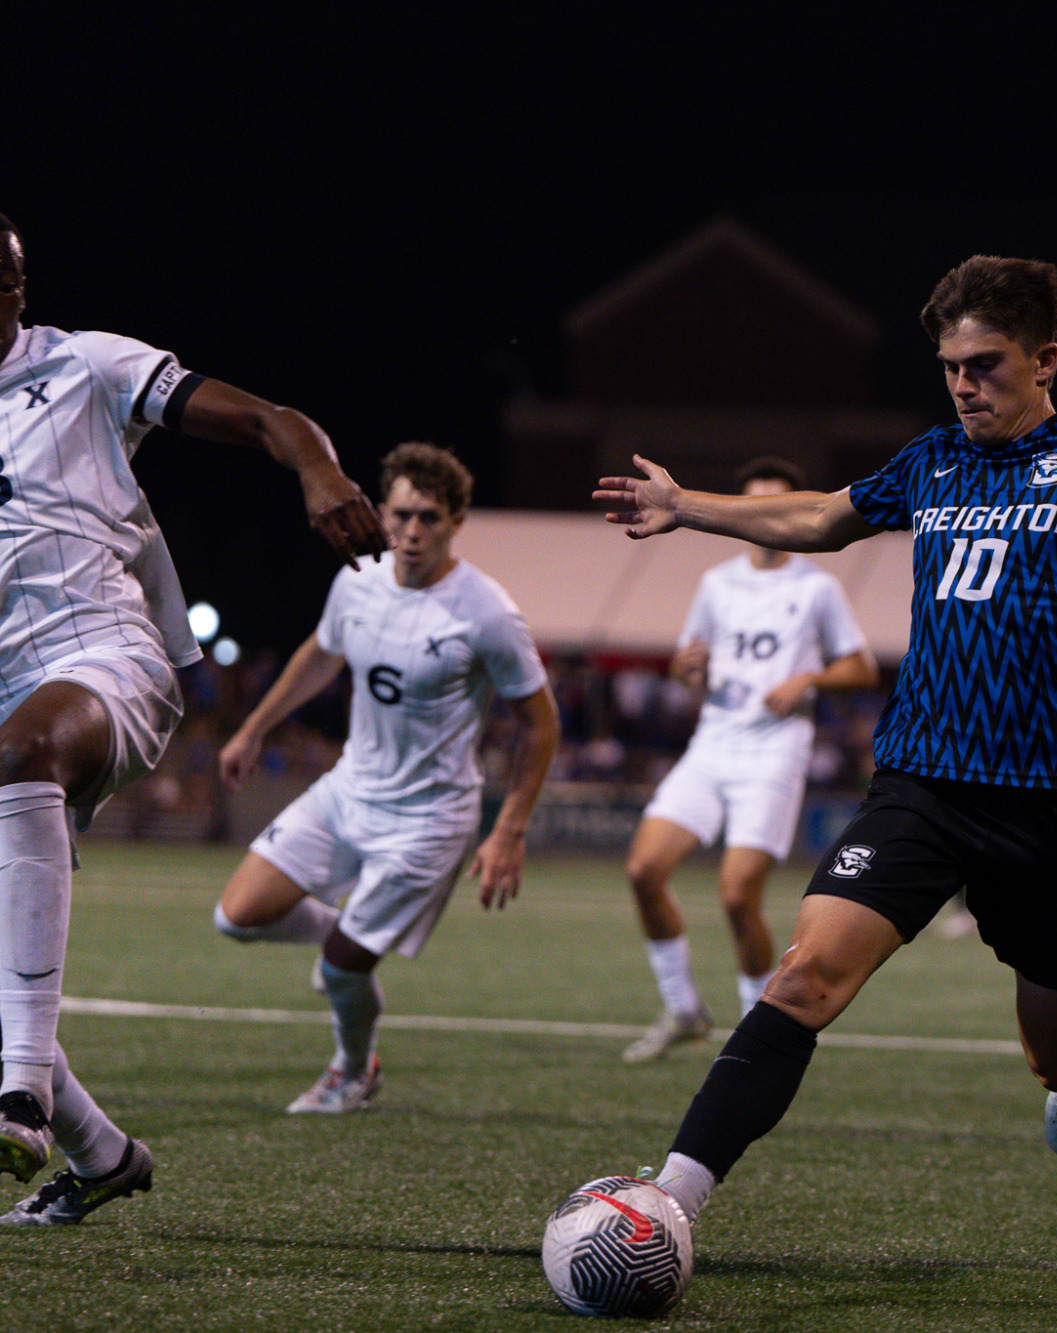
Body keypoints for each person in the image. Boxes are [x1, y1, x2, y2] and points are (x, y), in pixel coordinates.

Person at [594, 254, 1057, 1232]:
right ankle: (669, 1197)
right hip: (922, 784)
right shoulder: (931, 460)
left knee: (1049, 1050)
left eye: (984, 364)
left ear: (1045, 355)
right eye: (949, 367)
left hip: (1051, 809)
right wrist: (687, 509)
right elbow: (822, 515)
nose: (963, 384)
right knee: (803, 975)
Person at [0, 211, 388, 1224]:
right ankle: (104, 1152)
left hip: (101, 655)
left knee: (24, 750)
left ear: (19, 291)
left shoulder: (82, 367)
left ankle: (23, 1079)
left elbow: (269, 417)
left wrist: (317, 468)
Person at [211, 442, 559, 1114]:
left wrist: (508, 829)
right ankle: (351, 932)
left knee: (340, 970)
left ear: (458, 519)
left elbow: (541, 724)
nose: (410, 532)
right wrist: (254, 727)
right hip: (348, 791)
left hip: (428, 819)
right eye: (399, 514)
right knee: (236, 916)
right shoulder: (359, 577)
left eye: (428, 517)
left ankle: (351, 1069)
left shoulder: (487, 612)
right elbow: (322, 651)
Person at [619, 456, 879, 1062]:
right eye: (754, 503)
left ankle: (750, 1035)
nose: (763, 515)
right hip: (713, 743)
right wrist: (688, 669)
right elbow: (694, 668)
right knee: (643, 870)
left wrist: (809, 679)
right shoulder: (717, 583)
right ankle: (683, 1008)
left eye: (775, 504)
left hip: (773, 751)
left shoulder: (816, 587)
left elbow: (862, 667)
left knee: (738, 895)